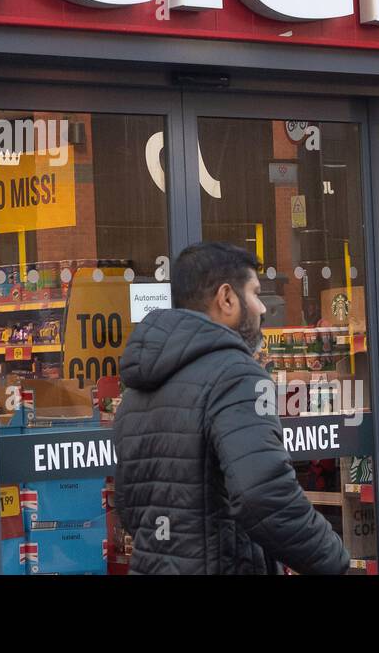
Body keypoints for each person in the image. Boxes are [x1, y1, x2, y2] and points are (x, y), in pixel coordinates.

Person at [114, 241, 350, 575]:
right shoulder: (236, 375)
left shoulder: (137, 391)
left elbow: (128, 504)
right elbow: (264, 495)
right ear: (226, 298)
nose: (263, 308)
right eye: (255, 293)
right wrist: (333, 557)